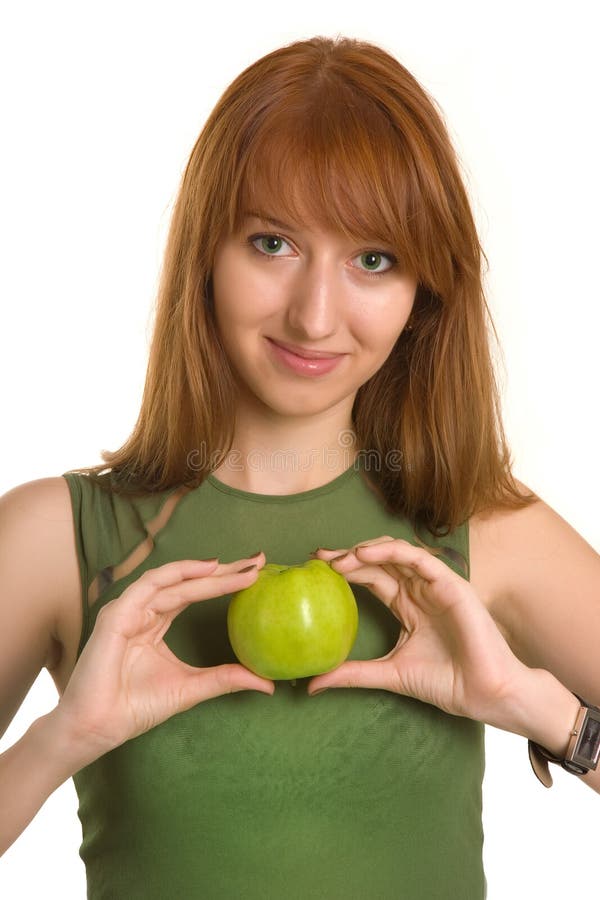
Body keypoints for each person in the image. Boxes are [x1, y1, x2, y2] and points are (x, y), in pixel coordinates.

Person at [0, 34, 598, 900]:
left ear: (424, 295)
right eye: (273, 243)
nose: (316, 316)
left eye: (373, 259)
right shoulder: (54, 539)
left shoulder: (486, 530)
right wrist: (61, 740)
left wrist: (541, 709)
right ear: (207, 253)